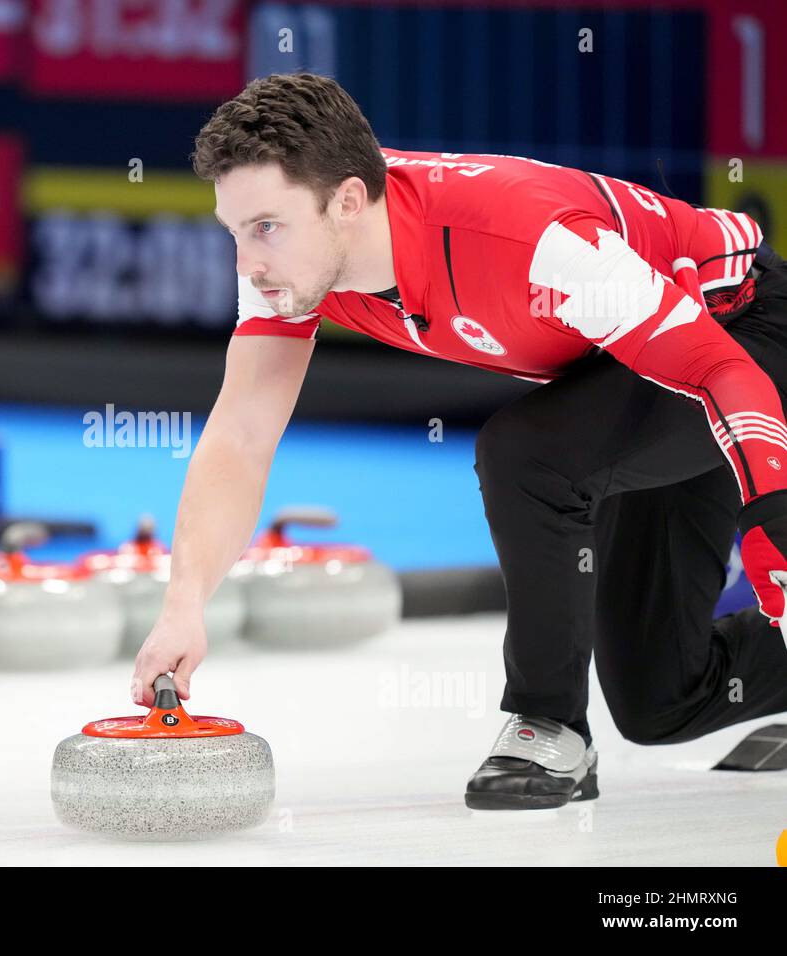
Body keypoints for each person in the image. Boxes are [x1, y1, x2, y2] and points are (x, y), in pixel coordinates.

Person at [129, 71, 787, 810]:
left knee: (527, 454)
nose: (246, 263)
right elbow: (244, 432)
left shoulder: (532, 242)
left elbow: (722, 369)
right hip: (630, 373)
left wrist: (771, 521)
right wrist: (184, 602)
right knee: (660, 699)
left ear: (347, 202)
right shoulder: (294, 263)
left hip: (747, 337)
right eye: (236, 232)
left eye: (266, 228)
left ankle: (548, 723)